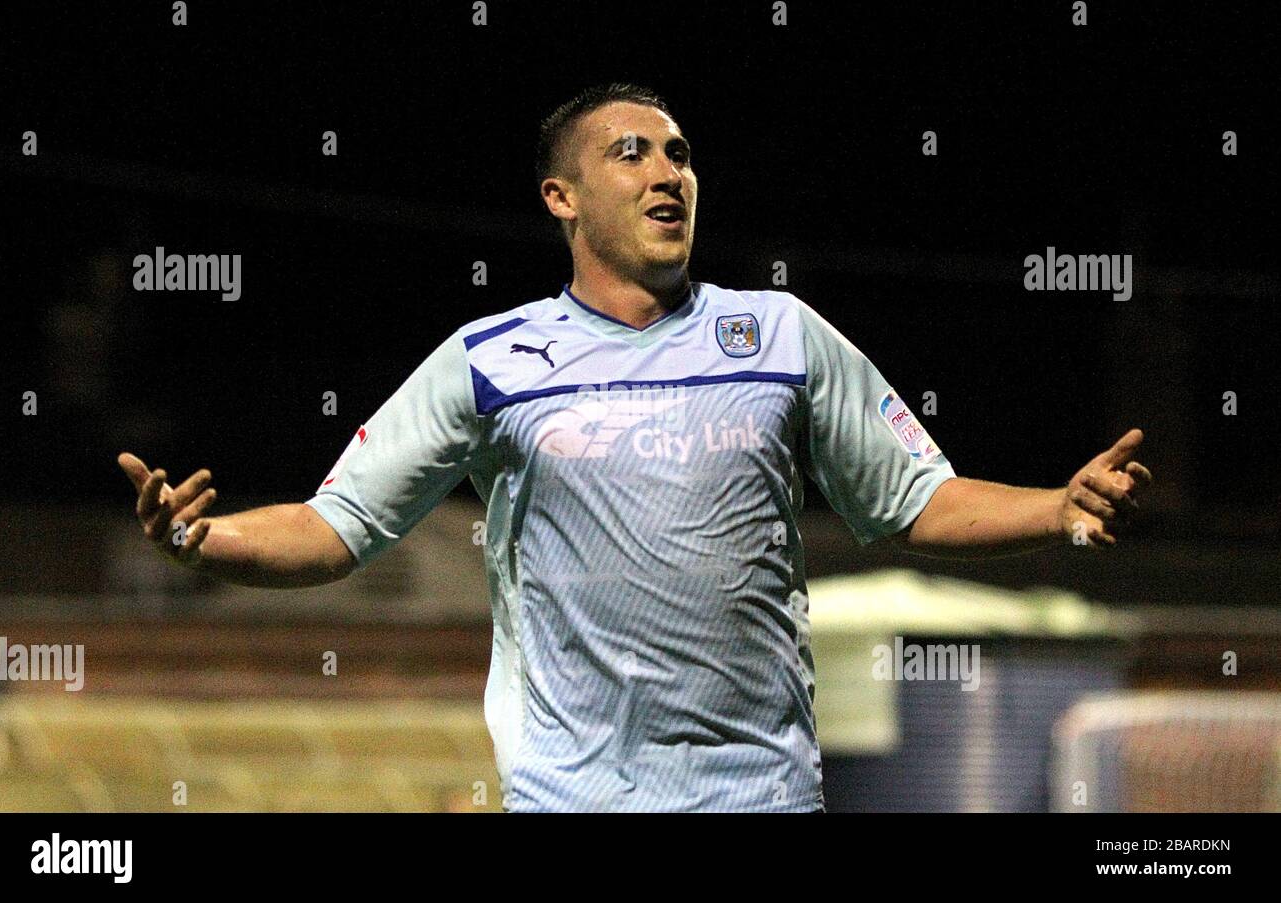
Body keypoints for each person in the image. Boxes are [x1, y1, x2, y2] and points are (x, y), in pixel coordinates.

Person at [118, 83, 1152, 812]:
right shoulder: (490, 361)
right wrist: (205, 545)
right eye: (632, 153)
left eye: (680, 154)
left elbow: (916, 500)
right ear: (561, 198)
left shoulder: (780, 335)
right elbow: (334, 527)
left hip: (763, 793)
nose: (668, 173)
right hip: (576, 795)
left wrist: (1056, 506)